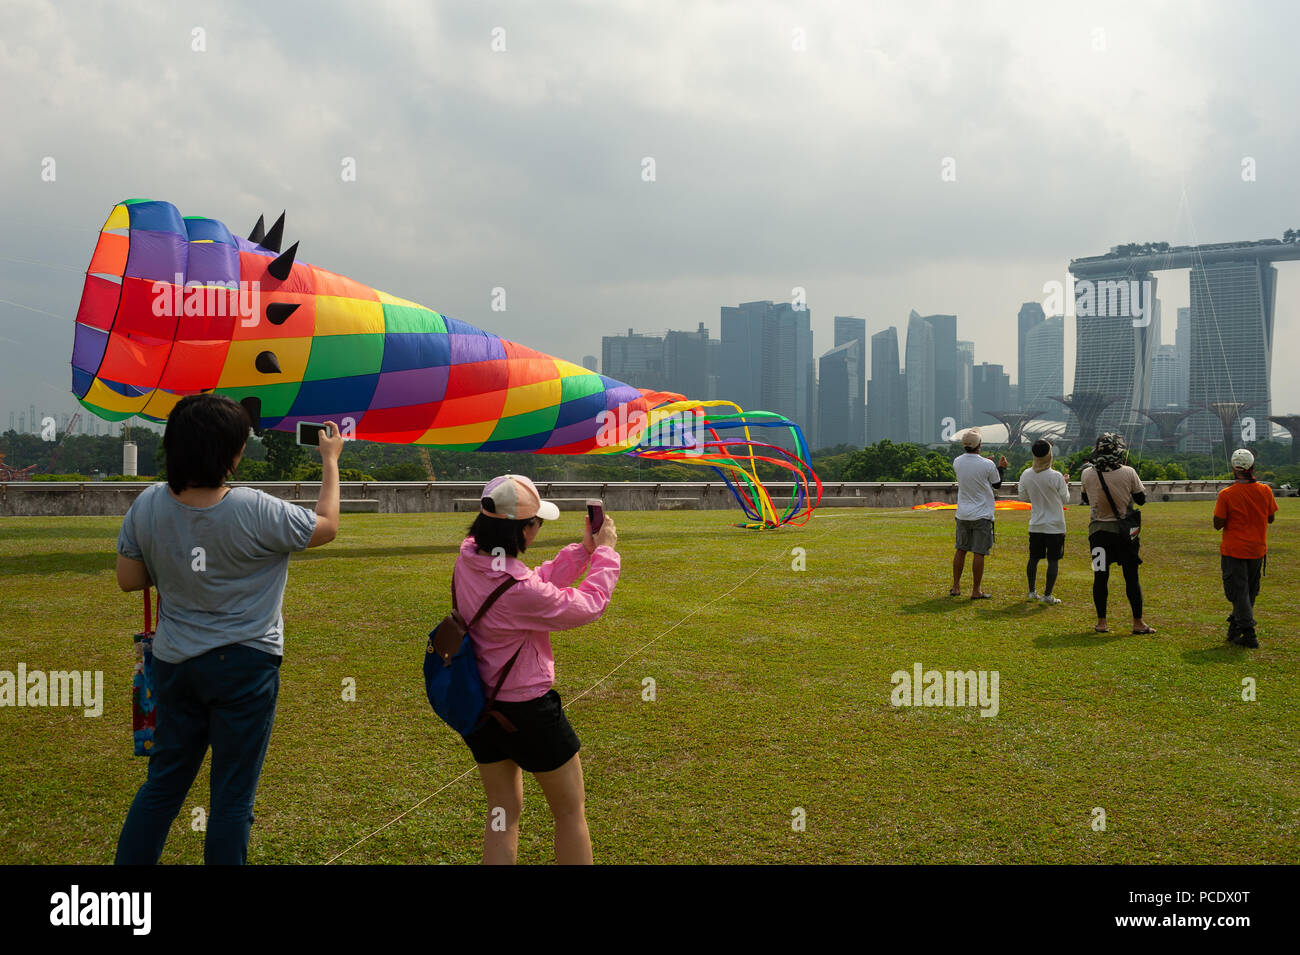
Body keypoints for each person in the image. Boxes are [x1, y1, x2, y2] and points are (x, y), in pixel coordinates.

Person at [114, 396, 342, 864]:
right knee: (232, 797)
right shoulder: (257, 509)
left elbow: (129, 579)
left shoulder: (147, 503)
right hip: (246, 666)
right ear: (230, 455)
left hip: (177, 664)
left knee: (163, 787)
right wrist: (330, 462)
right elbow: (327, 526)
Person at [455, 474, 620, 865]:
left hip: (480, 703)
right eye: (536, 524)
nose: (537, 530)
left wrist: (582, 551)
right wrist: (606, 553)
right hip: (528, 711)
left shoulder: (469, 556)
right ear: (523, 530)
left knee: (501, 810)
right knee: (568, 812)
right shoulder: (519, 590)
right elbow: (587, 604)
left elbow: (532, 581)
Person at [1079, 432, 1154, 635]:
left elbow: (1086, 498)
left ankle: (1102, 622)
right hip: (1125, 536)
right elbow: (1141, 499)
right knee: (1131, 577)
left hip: (1098, 534)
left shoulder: (1087, 474)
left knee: (1100, 577)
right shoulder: (1129, 472)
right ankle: (1138, 623)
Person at [1213, 449, 1278, 648]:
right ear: (1252, 467)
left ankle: (1249, 633)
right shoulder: (1265, 490)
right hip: (1257, 549)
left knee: (1238, 592)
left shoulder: (1227, 494)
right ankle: (1235, 627)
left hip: (1234, 550)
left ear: (1234, 468)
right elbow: (1271, 517)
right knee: (1249, 591)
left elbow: (1218, 523)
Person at [950, 428, 1009, 599]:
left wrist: (989, 465)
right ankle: (976, 590)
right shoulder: (987, 465)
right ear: (979, 445)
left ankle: (956, 587)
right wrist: (1001, 468)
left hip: (962, 514)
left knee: (960, 549)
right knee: (979, 552)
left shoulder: (957, 461)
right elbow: (996, 484)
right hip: (982, 514)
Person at [1018, 438, 1070, 605]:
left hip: (1036, 523)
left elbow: (1023, 497)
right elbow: (1066, 499)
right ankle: (1048, 594)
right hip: (1055, 525)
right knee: (1053, 560)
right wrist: (1065, 484)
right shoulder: (1056, 476)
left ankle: (1032, 591)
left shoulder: (1026, 474)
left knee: (1033, 558)